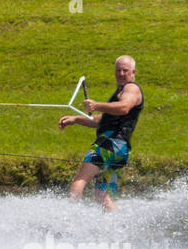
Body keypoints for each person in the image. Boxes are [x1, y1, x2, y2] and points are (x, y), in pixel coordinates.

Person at [60, 55, 143, 213]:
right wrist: (76, 119)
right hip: (119, 151)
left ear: (133, 72)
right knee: (101, 194)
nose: (121, 73)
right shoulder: (120, 93)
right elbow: (102, 120)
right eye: (118, 70)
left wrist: (97, 104)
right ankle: (117, 226)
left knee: (81, 178)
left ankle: (62, 223)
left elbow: (124, 107)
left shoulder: (131, 89)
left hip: (108, 144)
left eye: (125, 70)